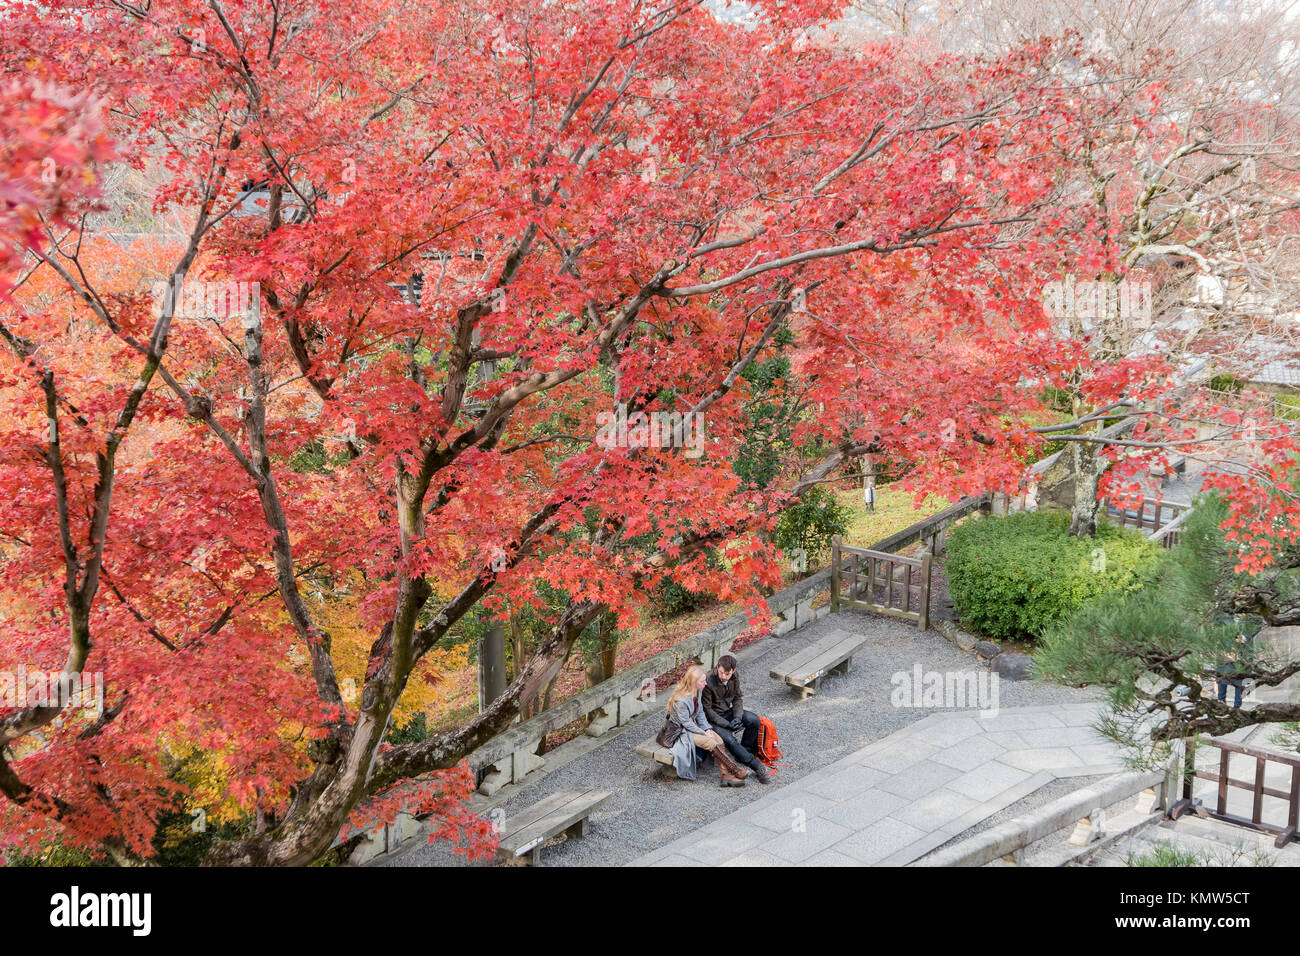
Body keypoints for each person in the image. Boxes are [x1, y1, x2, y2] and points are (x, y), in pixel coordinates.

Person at [664, 664, 751, 787]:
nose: (706, 683)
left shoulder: (697, 691)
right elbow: (686, 723)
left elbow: (700, 713)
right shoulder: (681, 701)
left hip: (694, 726)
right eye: (702, 681)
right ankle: (735, 770)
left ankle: (726, 775)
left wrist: (707, 728)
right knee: (711, 743)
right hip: (681, 732)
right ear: (694, 682)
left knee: (719, 740)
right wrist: (703, 732)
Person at [701, 655, 770, 784]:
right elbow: (708, 711)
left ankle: (745, 751)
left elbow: (737, 698)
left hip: (729, 712)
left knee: (754, 720)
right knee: (729, 739)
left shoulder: (734, 676)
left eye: (727, 674)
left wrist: (737, 717)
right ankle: (757, 766)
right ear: (717, 667)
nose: (723, 676)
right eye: (721, 672)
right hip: (713, 720)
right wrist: (727, 724)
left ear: (733, 670)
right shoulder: (709, 681)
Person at [1214, 614, 1261, 710]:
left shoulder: (1251, 611)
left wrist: (1246, 636)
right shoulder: (1224, 612)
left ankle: (1237, 708)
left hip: (1243, 651)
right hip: (1225, 649)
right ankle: (1221, 704)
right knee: (1222, 678)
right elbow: (1214, 626)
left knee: (1241, 679)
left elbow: (1258, 624)